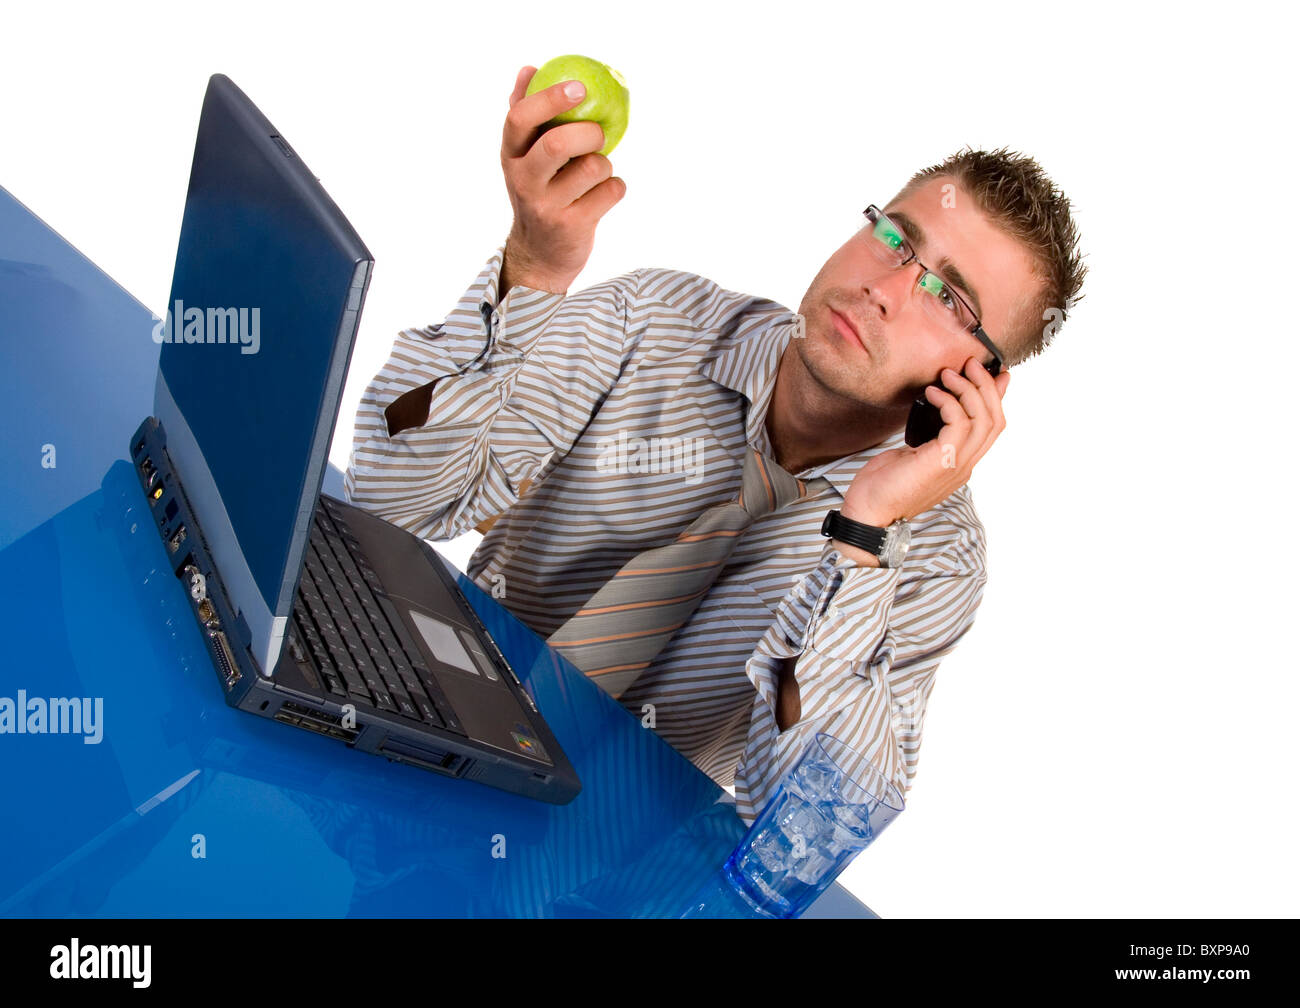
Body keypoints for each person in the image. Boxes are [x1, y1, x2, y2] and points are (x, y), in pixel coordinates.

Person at [345, 66, 1087, 822]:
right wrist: (532, 271)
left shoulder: (935, 558)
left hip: (599, 864)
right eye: (895, 238)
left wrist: (865, 534)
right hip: (412, 731)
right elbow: (393, 496)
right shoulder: (656, 321)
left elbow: (803, 818)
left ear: (981, 381)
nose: (886, 289)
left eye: (948, 298)